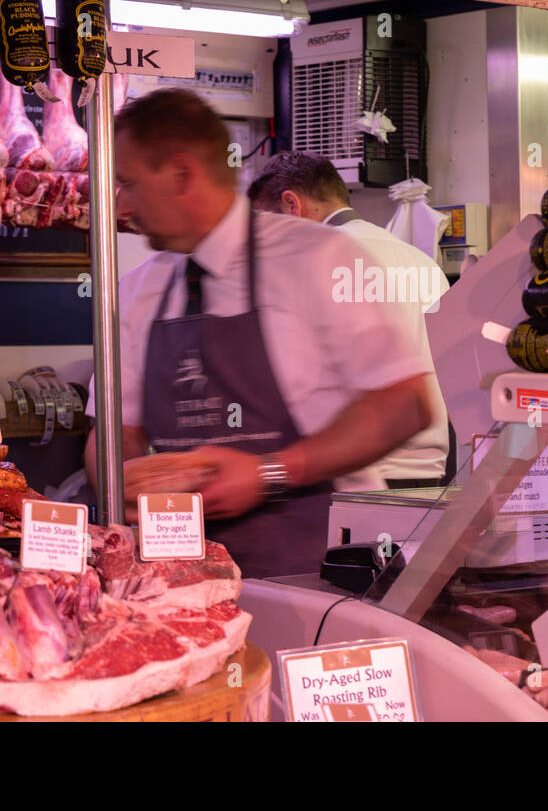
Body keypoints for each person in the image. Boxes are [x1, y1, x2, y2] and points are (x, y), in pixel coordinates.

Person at [83, 90, 435, 578]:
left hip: (317, 570)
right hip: (181, 578)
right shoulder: (139, 289)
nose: (120, 205)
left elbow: (404, 405)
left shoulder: (321, 258)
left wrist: (267, 473)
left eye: (128, 183)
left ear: (182, 174)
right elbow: (115, 431)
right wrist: (122, 481)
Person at [247, 151, 451, 487]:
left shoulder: (307, 262)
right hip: (426, 472)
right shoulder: (421, 262)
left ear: (291, 204)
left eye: (266, 222)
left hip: (345, 472)